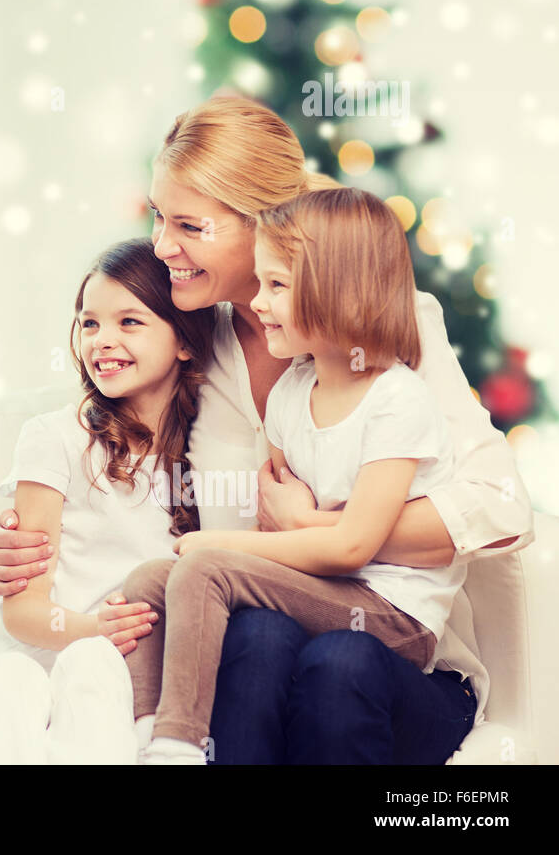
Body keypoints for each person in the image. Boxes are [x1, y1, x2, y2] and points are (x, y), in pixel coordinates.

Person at [0, 95, 533, 764]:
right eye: (160, 217)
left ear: (266, 222)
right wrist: (30, 545)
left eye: (189, 224)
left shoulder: (386, 326)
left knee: (334, 661)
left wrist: (324, 525)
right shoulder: (189, 340)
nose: (163, 247)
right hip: (250, 659)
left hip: (383, 664)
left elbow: (501, 509)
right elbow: (98, 439)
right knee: (258, 638)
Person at [122, 186, 466, 764]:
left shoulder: (395, 400)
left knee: (201, 565)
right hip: (325, 593)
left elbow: (354, 544)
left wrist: (212, 545)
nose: (257, 302)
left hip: (392, 612)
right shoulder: (291, 393)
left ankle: (176, 746)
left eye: (276, 286)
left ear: (340, 290)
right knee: (150, 581)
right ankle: (144, 728)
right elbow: (277, 536)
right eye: (260, 283)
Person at [0, 240, 215, 764]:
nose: (103, 340)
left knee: (95, 671)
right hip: (38, 658)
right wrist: (96, 630)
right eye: (89, 323)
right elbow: (24, 613)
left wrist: (105, 645)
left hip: (120, 675)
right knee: (13, 680)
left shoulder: (210, 449)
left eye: (129, 322)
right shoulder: (55, 437)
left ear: (185, 341)